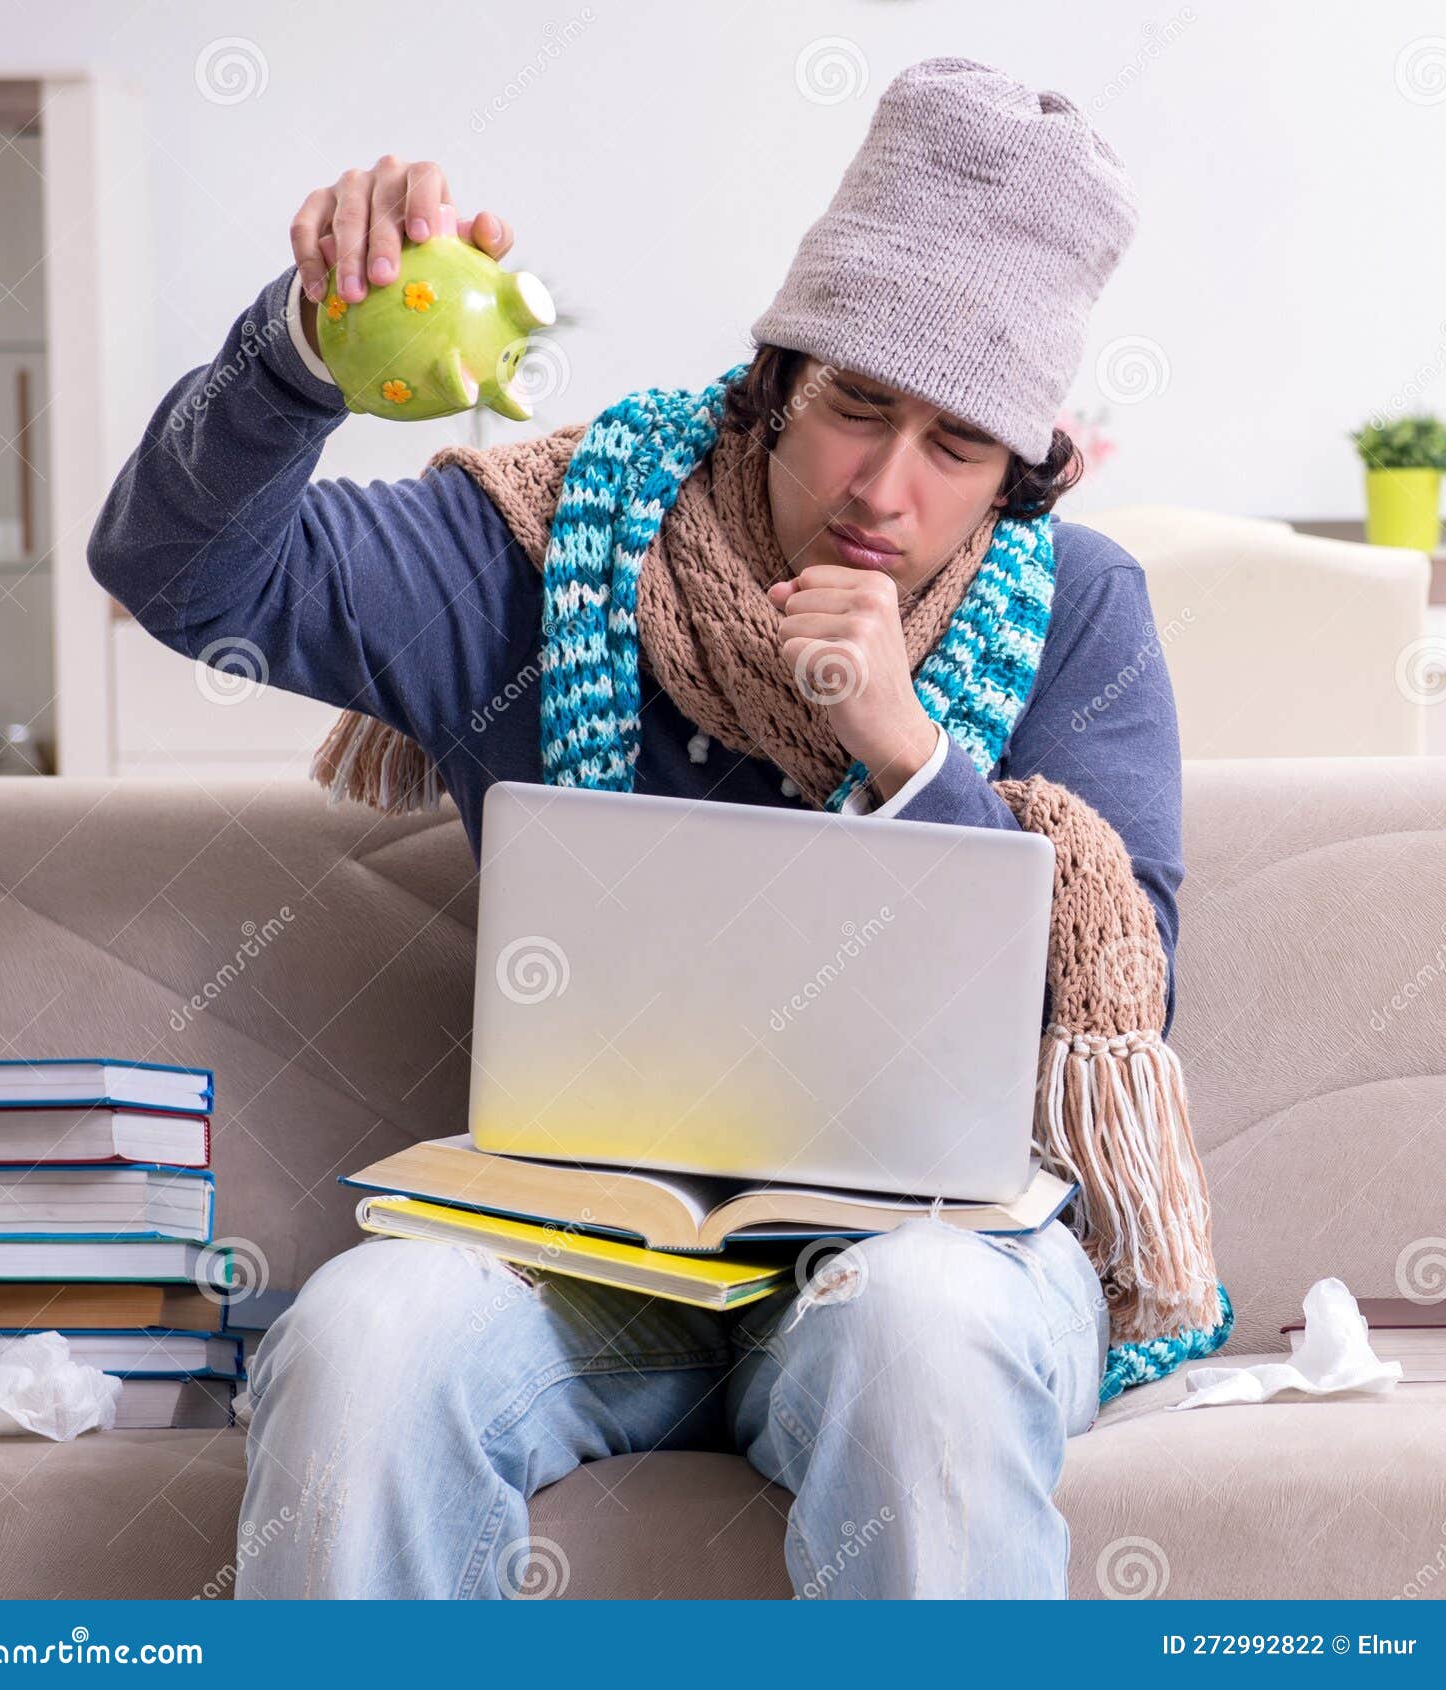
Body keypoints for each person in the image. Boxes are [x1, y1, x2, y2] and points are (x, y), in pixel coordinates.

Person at [89, 59, 1193, 1599]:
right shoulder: (546, 541)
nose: (884, 486)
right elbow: (181, 579)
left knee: (924, 1338)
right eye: (855, 404)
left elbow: (1106, 1003)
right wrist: (297, 352)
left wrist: (907, 746)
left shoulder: (1083, 612)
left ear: (1023, 472)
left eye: (957, 446)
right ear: (779, 373)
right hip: (580, 1261)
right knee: (363, 1338)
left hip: (930, 1255)